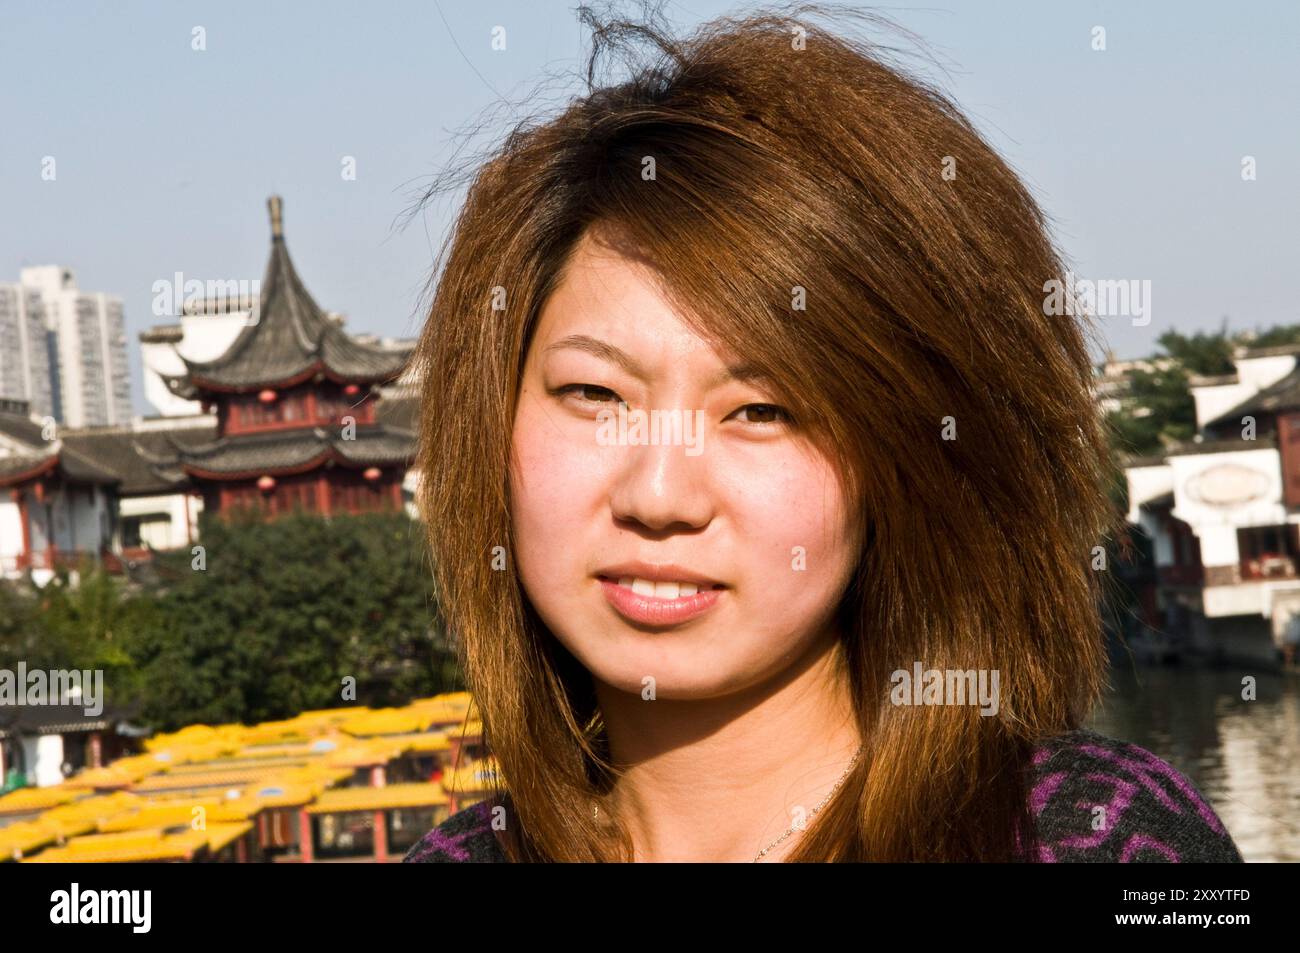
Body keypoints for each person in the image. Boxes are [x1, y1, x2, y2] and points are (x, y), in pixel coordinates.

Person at [402, 4, 1242, 862]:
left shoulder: (1086, 838)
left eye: (761, 411)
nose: (658, 495)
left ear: (904, 457)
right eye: (594, 393)